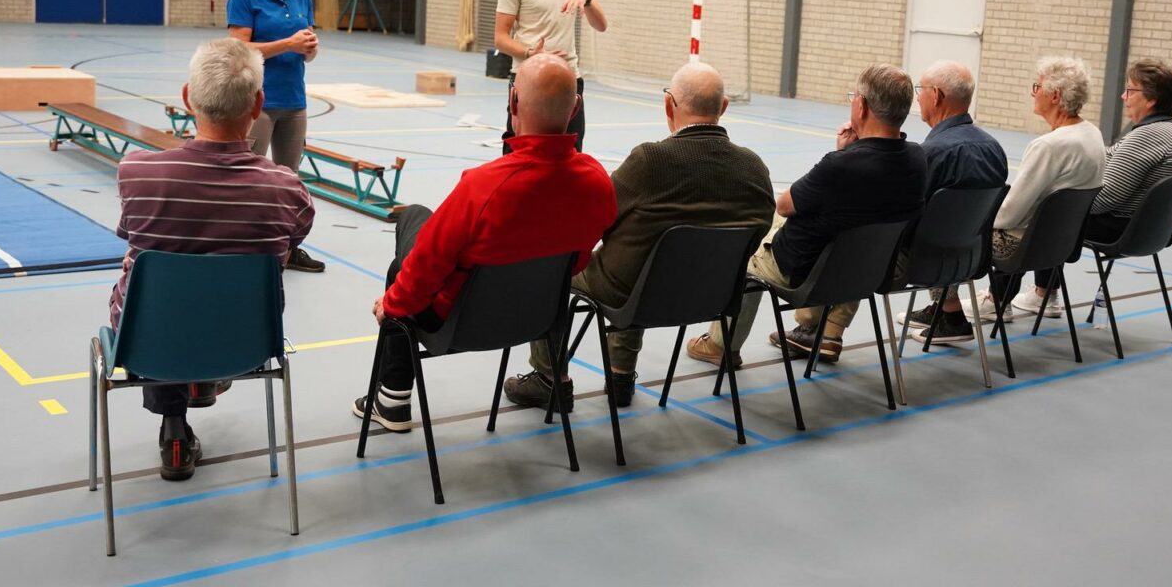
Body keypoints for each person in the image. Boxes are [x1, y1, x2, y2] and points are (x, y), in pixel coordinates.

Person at [355, 54, 616, 431]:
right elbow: (575, 263)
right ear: (576, 108)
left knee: (408, 240)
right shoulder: (597, 182)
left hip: (459, 323)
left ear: (513, 102)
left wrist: (392, 305)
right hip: (539, 317)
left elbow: (426, 267)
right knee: (419, 225)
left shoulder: (481, 186)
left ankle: (392, 397)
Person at [510, 61, 774, 409]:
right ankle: (620, 376)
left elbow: (598, 217)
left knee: (561, 267)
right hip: (716, 296)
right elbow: (760, 227)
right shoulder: (754, 166)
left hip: (640, 295)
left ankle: (549, 379)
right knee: (643, 253)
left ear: (668, 105)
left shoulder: (650, 161)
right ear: (723, 108)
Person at [111, 39, 315, 481]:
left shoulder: (137, 173)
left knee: (150, 288)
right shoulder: (287, 188)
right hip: (249, 339)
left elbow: (134, 237)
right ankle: (207, 374)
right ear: (258, 104)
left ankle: (174, 427)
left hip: (150, 341)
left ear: (188, 98)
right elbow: (287, 248)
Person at [686, 63, 928, 368]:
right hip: (867, 270)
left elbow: (785, 205)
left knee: (747, 249)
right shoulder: (917, 159)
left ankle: (722, 345)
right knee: (853, 235)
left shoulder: (840, 167)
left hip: (805, 270)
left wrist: (841, 154)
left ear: (862, 106)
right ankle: (819, 330)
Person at [785, 60, 1007, 359]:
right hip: (969, 258)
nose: (918, 97)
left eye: (921, 90)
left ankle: (823, 331)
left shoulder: (931, 154)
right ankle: (948, 312)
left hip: (914, 262)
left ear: (936, 96)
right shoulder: (995, 149)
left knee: (854, 228)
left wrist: (852, 156)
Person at [1013, 57, 1172, 317]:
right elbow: (1109, 155)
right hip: (1150, 230)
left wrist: (1055, 191)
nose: (1123, 96)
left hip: (1121, 229)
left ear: (1151, 99)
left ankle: (1029, 296)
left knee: (1042, 213)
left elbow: (1103, 200)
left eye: (1130, 91)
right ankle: (1043, 292)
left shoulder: (1148, 136)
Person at [954, 56, 1106, 328]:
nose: (1032, 93)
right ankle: (1039, 294)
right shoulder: (1093, 134)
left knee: (956, 231)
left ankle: (983, 303)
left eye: (1037, 87)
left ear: (1055, 96)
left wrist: (974, 220)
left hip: (1027, 247)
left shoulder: (1048, 146)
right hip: (1062, 243)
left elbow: (1009, 215)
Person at [228, 0, 325, 274]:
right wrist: (288, 43)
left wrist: (309, 49)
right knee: (248, 177)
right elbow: (239, 50)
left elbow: (306, 51)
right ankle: (242, 246)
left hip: (294, 102)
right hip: (259, 104)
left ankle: (287, 246)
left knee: (289, 180)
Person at [493, 0, 609, 154]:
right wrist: (531, 54)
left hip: (569, 80)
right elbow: (501, 38)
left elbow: (601, 25)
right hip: (528, 80)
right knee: (520, 155)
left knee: (571, 154)